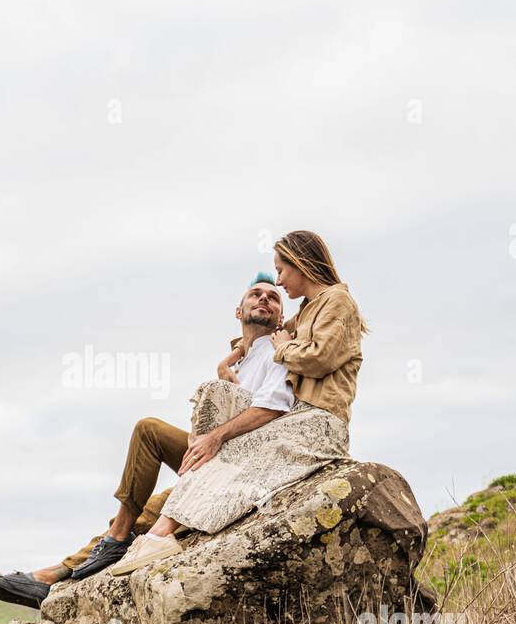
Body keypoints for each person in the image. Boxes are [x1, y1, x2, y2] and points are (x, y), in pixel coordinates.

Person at [0, 273, 295, 609]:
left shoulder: (277, 350)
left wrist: (214, 437)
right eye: (256, 295)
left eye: (273, 298)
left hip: (239, 462)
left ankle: (59, 572)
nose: (264, 300)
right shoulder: (238, 360)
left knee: (150, 475)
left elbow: (273, 406)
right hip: (214, 457)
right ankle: (69, 566)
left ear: (280, 316)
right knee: (146, 460)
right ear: (238, 311)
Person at [109, 230, 365, 576]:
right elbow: (262, 336)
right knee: (218, 452)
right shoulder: (306, 311)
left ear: (301, 264)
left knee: (226, 450)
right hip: (299, 419)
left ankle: (158, 534)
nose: (278, 280)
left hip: (320, 420)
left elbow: (319, 358)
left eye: (281, 270)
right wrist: (228, 360)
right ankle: (142, 535)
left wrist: (282, 348)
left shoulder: (337, 301)